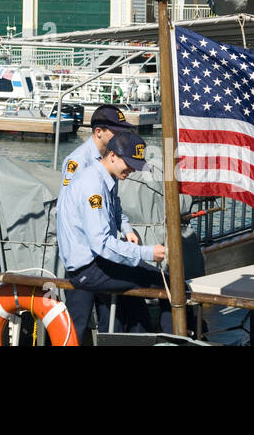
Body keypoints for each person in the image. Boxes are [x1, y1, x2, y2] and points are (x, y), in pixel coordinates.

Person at [57, 131, 168, 338]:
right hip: (90, 268)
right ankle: (176, 339)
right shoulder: (94, 188)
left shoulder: (100, 176)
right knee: (166, 282)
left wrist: (126, 230)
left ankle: (143, 337)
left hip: (86, 264)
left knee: (136, 297)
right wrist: (146, 252)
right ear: (113, 156)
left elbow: (114, 209)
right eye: (129, 163)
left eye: (136, 165)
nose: (133, 169)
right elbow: (101, 244)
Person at [60, 104, 136, 189]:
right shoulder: (79, 160)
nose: (121, 136)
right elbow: (69, 199)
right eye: (117, 132)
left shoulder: (111, 157)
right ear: (98, 132)